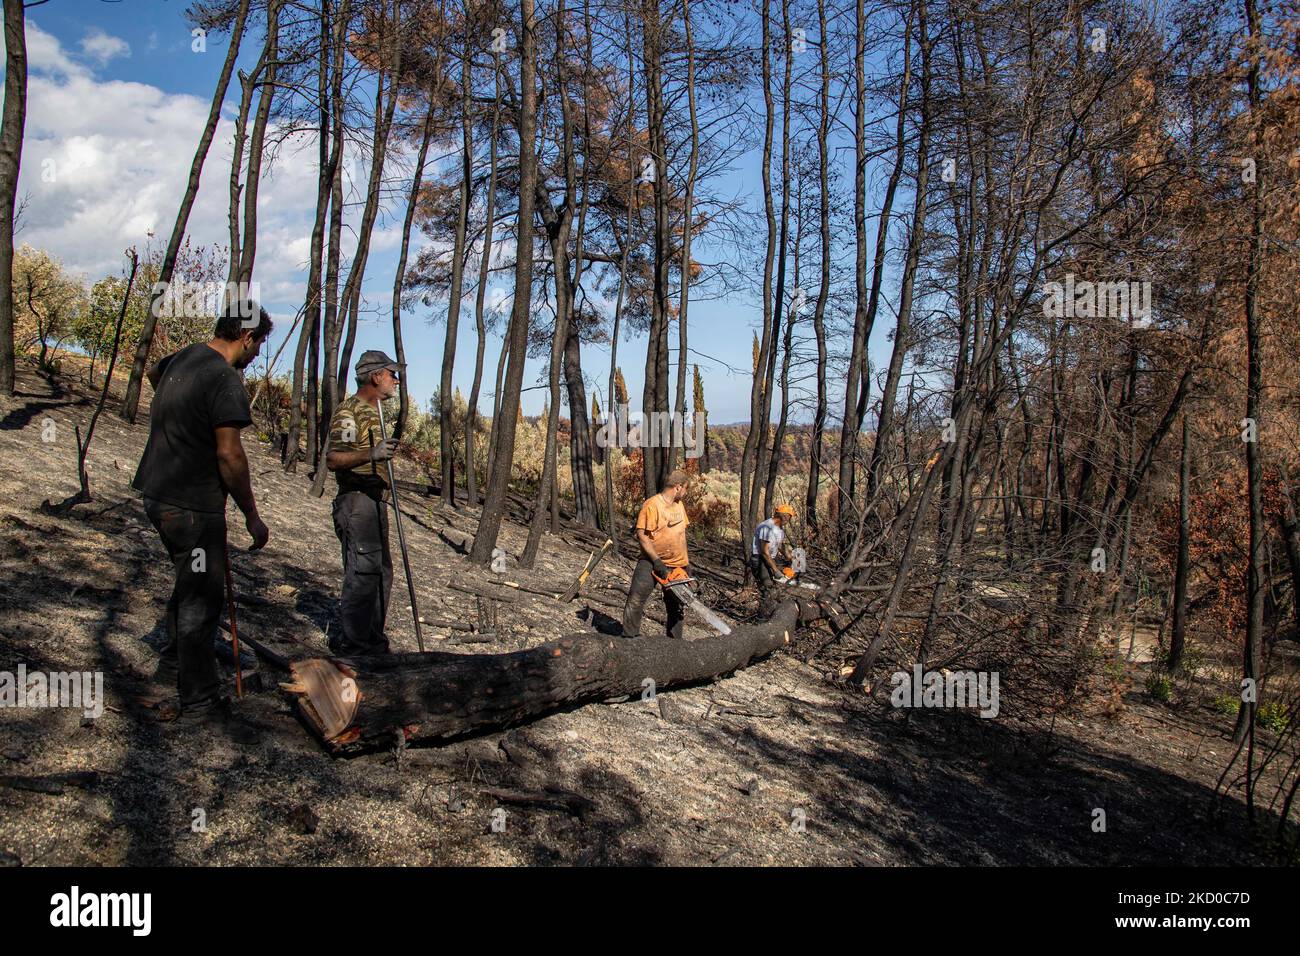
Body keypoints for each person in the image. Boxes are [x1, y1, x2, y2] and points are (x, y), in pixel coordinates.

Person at [132, 300, 272, 741]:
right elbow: (229, 454)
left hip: (156, 493)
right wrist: (251, 515)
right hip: (192, 505)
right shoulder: (224, 380)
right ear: (246, 338)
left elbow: (155, 376)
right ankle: (199, 703)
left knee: (187, 583)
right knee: (201, 599)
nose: (256, 355)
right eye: (258, 344)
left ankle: (171, 664)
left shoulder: (181, 358)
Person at [326, 350, 403, 655]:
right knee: (362, 573)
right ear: (375, 376)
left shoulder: (376, 412)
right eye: (391, 374)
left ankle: (372, 641)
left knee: (381, 572)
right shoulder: (350, 412)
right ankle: (355, 648)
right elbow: (333, 458)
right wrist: (369, 455)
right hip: (357, 502)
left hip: (375, 502)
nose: (395, 380)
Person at [623, 470, 692, 640]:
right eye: (685, 489)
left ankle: (674, 645)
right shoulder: (652, 504)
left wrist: (686, 562)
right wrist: (656, 561)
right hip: (651, 561)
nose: (685, 492)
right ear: (678, 487)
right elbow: (642, 536)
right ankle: (629, 638)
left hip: (677, 564)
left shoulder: (679, 505)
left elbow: (680, 535)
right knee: (636, 598)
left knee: (676, 606)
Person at [751, 503, 796, 614]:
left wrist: (790, 557)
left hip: (769, 559)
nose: (788, 519)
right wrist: (775, 570)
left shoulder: (780, 529)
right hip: (760, 559)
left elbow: (779, 545)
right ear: (782, 515)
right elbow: (764, 552)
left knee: (773, 589)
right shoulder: (767, 527)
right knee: (768, 588)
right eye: (788, 516)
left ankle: (769, 613)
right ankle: (762, 618)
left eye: (789, 517)